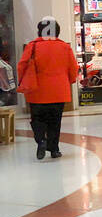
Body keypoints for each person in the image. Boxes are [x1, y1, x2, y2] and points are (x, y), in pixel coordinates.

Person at [16, 16, 79, 161]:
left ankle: (41, 141)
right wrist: (70, 80)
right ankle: (54, 149)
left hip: (36, 91)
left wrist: (22, 81)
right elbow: (73, 68)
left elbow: (22, 65)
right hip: (59, 91)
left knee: (37, 119)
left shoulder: (32, 46)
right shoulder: (65, 47)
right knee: (55, 121)